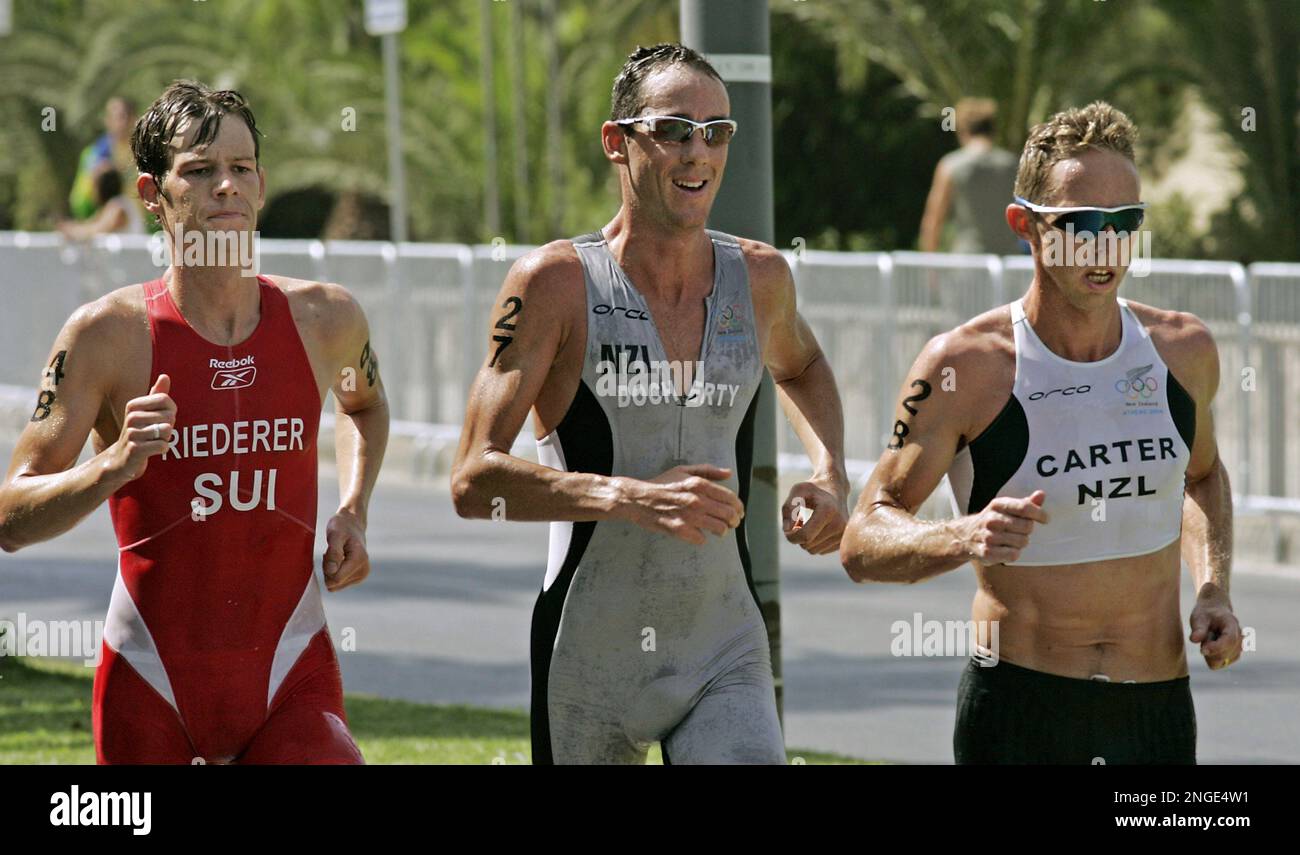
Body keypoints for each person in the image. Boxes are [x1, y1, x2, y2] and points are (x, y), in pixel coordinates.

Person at [451, 43, 850, 765]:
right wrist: (625, 495)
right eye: (672, 130)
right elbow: (473, 480)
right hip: (588, 656)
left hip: (722, 646)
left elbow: (806, 364)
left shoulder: (759, 277)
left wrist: (829, 473)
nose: (697, 152)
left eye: (717, 132)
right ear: (618, 142)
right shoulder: (553, 283)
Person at [0, 80, 390, 765]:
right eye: (200, 171)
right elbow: (11, 516)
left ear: (263, 186)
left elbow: (362, 404)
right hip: (150, 679)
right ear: (152, 194)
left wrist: (354, 509)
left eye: (240, 169)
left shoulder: (327, 320)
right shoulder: (105, 337)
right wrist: (114, 464)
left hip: (289, 675)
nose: (225, 188)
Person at [841, 101, 1242, 764]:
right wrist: (962, 534)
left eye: (1125, 223)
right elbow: (862, 538)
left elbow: (1202, 475)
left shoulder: (1182, 350)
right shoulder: (964, 367)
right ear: (1025, 226)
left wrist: (1213, 585)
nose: (1106, 246)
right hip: (1019, 711)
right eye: (1082, 224)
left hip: (1156, 711)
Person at [919, 97, 1023, 255]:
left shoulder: (951, 165)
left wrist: (929, 268)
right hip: (1007, 263)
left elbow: (933, 221)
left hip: (968, 263)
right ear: (993, 129)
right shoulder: (1014, 165)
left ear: (963, 130)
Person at [57, 166, 146, 239]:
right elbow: (91, 225)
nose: (91, 192)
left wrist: (73, 231)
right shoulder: (112, 206)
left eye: (94, 186)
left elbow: (99, 229)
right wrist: (71, 228)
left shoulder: (118, 207)